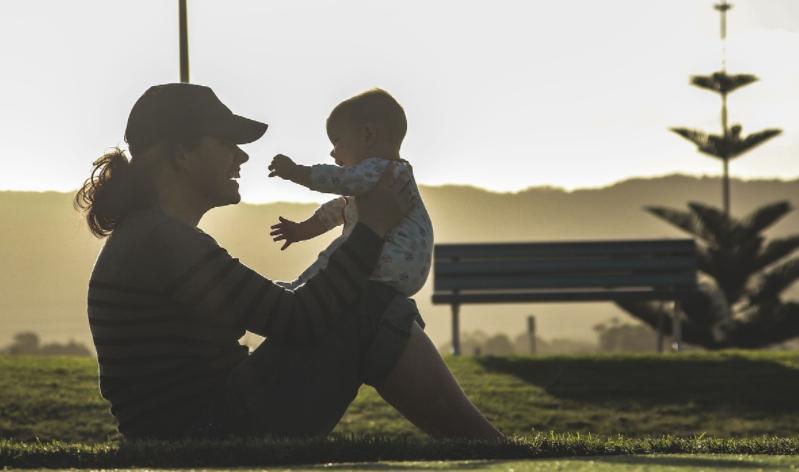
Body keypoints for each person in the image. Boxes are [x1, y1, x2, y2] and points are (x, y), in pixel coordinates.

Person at [75, 83, 502, 441]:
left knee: (369, 302)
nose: (241, 158)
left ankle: (489, 447)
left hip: (199, 426)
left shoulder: (150, 237)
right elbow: (299, 319)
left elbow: (273, 306)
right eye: (227, 144)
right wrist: (372, 227)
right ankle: (493, 450)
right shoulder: (160, 241)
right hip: (206, 432)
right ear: (181, 154)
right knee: (371, 305)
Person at [267, 88, 433, 300]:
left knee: (340, 253)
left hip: (389, 260)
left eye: (336, 141)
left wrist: (295, 172)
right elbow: (341, 209)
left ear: (368, 135)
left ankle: (301, 289)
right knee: (346, 250)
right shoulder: (388, 177)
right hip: (405, 270)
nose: (332, 152)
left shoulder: (382, 169)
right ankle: (301, 288)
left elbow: (339, 180)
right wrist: (302, 231)